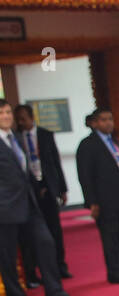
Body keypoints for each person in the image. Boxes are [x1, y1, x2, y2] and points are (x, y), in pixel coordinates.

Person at [0, 99, 85, 296]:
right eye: (1, 113)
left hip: (30, 204)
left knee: (46, 243)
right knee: (7, 256)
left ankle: (55, 292)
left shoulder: (17, 138)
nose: (7, 116)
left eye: (8, 112)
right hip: (5, 208)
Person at [75, 108, 119, 283]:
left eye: (110, 119)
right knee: (110, 237)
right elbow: (85, 175)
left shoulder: (114, 142)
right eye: (103, 120)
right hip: (104, 199)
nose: (108, 122)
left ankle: (116, 267)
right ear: (94, 123)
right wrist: (92, 201)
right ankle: (115, 272)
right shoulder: (88, 144)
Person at [13, 104, 70, 279]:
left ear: (32, 117)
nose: (22, 122)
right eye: (19, 119)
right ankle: (33, 272)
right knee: (31, 234)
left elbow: (55, 162)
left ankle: (60, 266)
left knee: (55, 230)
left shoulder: (45, 135)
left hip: (49, 186)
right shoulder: (15, 138)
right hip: (29, 190)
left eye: (24, 118)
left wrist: (62, 188)